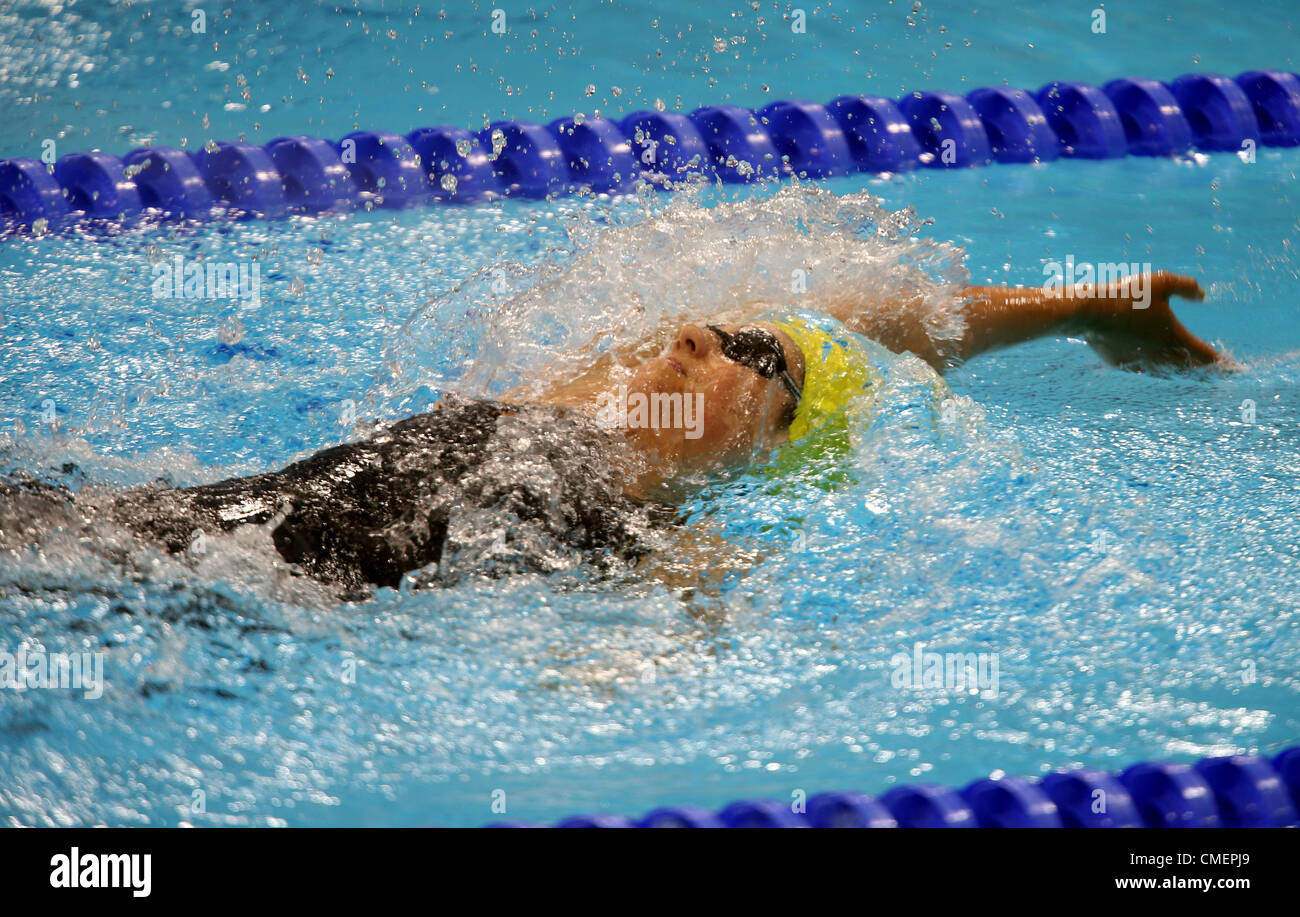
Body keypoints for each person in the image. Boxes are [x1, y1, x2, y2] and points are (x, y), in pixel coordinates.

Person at [1, 270, 1225, 596]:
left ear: (759, 436)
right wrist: (1084, 302)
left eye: (750, 358)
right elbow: (889, 318)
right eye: (720, 328)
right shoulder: (563, 406)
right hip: (176, 522)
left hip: (216, 587)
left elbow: (665, 632)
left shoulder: (646, 523)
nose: (704, 333)